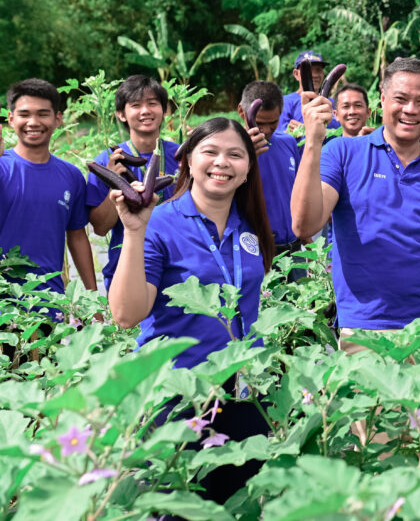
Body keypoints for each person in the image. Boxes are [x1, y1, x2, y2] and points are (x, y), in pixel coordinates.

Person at [106, 117, 274, 503]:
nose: (222, 162)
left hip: (243, 394)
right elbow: (126, 315)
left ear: (248, 168)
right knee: (176, 507)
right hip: (177, 396)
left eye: (235, 154)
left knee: (238, 506)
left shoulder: (249, 225)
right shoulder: (159, 223)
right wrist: (133, 231)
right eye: (210, 152)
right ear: (186, 162)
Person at [290, 57, 420, 342]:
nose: (411, 109)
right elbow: (304, 226)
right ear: (382, 100)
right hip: (364, 329)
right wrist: (312, 141)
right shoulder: (343, 153)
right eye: (401, 98)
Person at [0, 79, 96, 309]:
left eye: (43, 114)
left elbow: (77, 236)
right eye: (24, 114)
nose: (33, 122)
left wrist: (94, 301)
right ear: (11, 119)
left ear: (58, 119)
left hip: (48, 300)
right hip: (3, 297)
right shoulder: (3, 168)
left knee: (44, 347)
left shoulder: (71, 176)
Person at [87, 75, 180, 291]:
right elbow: (100, 229)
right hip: (126, 272)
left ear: (165, 110)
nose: (145, 111)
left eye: (152, 103)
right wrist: (114, 182)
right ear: (121, 114)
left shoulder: (184, 157)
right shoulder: (106, 161)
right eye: (136, 105)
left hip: (177, 271)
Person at [237, 81, 305, 271]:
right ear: (242, 112)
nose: (266, 131)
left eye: (273, 123)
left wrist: (308, 241)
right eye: (259, 123)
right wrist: (246, 157)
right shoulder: (230, 151)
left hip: (294, 249)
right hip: (256, 252)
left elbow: (297, 193)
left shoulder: (289, 142)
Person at [277, 51, 341, 135]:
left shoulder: (331, 103)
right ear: (296, 74)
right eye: (309, 70)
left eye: (318, 70)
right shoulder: (285, 102)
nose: (314, 75)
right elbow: (278, 136)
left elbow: (340, 131)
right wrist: (303, 130)